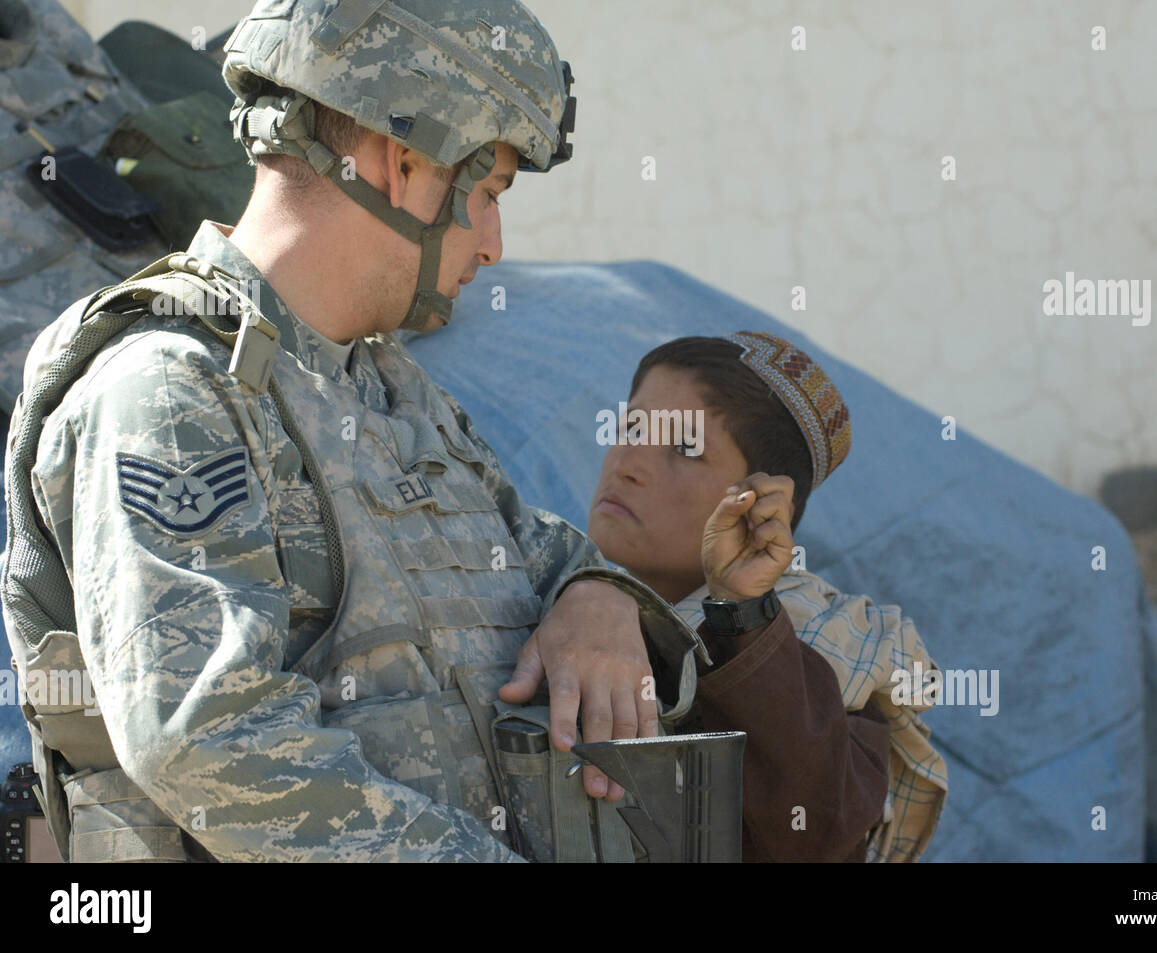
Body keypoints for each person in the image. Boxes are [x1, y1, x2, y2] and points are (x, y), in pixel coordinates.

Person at [0, 0, 759, 863]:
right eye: (488, 193)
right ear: (404, 164)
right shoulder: (169, 391)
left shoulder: (388, 384)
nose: (496, 244)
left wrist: (599, 595)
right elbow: (208, 740)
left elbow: (534, 555)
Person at [587, 331, 950, 861]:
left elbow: (810, 834)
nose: (627, 463)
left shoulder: (833, 656)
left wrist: (744, 616)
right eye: (632, 426)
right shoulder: (562, 592)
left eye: (686, 450)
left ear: (759, 504)